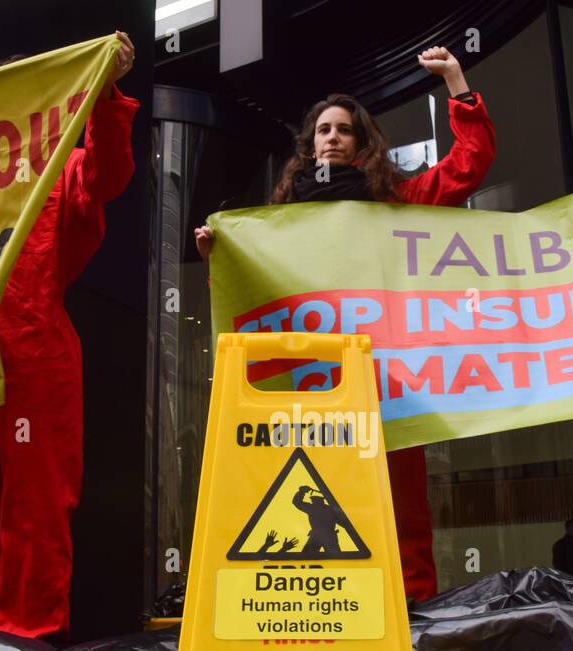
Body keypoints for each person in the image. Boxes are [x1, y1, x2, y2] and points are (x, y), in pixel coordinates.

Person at [195, 46, 497, 601]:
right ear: (310, 145)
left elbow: (468, 165)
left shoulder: (396, 201)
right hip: (314, 388)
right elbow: (254, 299)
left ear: (362, 143)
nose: (332, 137)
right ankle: (335, 612)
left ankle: (415, 615)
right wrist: (222, 258)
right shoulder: (281, 221)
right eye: (323, 131)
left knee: (401, 505)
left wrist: (456, 82)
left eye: (344, 130)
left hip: (386, 382)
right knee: (322, 501)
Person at [0, 33, 138, 641]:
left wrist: (103, 91)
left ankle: (30, 637)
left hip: (34, 344)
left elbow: (110, 174)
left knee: (37, 501)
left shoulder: (63, 167)